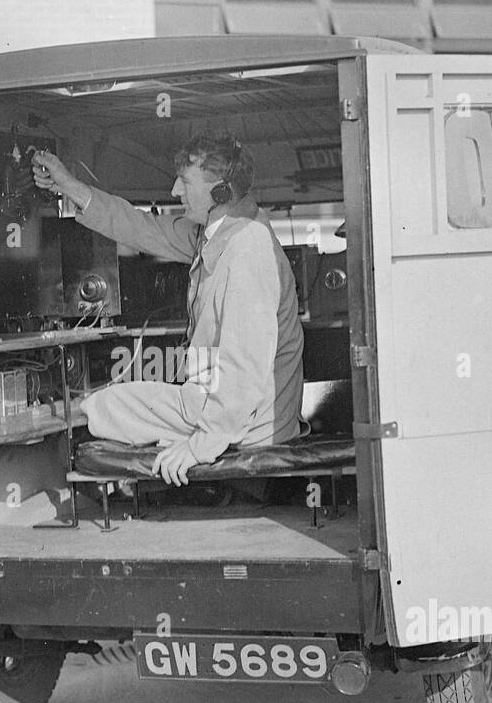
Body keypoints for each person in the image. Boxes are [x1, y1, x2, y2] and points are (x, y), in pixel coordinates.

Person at [31, 134, 305, 487]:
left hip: (250, 426)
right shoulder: (217, 233)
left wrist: (201, 445)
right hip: (226, 410)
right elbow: (140, 227)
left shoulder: (248, 247)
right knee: (113, 406)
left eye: (186, 182)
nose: (176, 190)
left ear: (220, 192)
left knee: (105, 406)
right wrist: (67, 185)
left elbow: (244, 366)